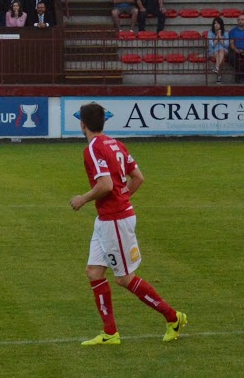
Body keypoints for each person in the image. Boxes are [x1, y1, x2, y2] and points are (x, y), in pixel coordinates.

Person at [69, 101, 187, 346]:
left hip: (115, 220)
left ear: (82, 124)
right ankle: (110, 333)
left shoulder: (92, 148)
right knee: (94, 272)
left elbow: (106, 186)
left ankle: (173, 317)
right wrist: (122, 199)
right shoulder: (117, 144)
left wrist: (83, 199)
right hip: (107, 218)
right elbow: (138, 178)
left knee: (124, 278)